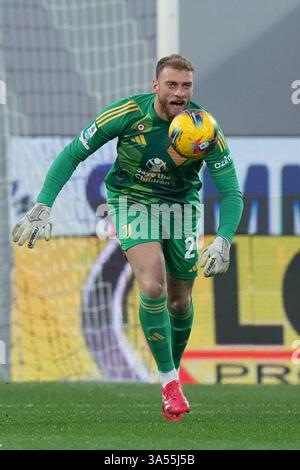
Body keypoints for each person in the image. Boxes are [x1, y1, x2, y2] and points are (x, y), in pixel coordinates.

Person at [12, 54, 243, 421]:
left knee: (180, 301)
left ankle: (171, 373)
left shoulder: (204, 129)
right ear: (156, 86)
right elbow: (74, 152)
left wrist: (224, 239)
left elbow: (231, 192)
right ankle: (170, 384)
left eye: (186, 86)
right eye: (172, 85)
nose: (179, 93)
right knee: (153, 286)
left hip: (182, 209)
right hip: (131, 201)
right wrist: (44, 204)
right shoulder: (127, 114)